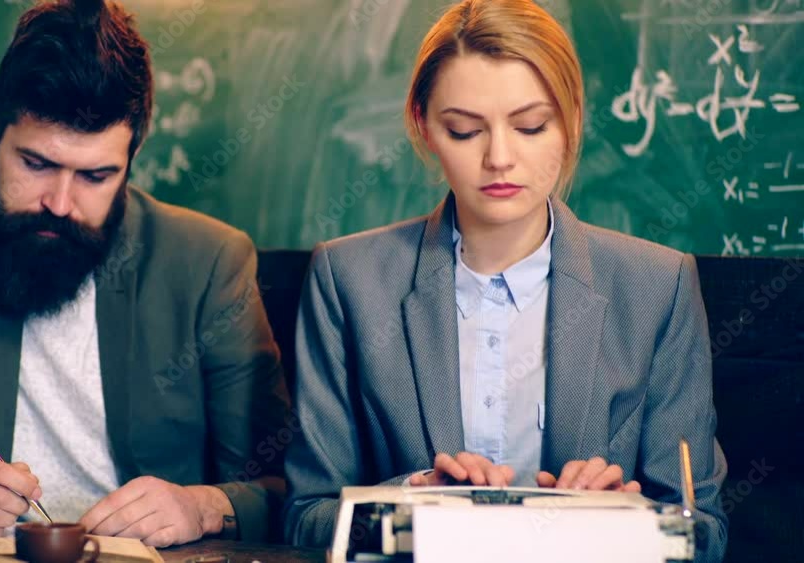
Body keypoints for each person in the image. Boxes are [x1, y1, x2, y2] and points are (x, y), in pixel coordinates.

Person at [0, 0, 289, 547]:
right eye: (36, 164)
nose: (60, 203)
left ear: (132, 157)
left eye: (96, 176)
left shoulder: (211, 263)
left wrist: (203, 506)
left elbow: (286, 485)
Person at [283, 1, 727, 560]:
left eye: (530, 125)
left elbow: (704, 532)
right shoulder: (347, 281)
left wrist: (627, 519)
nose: (499, 158)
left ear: (570, 122)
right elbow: (305, 516)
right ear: (424, 127)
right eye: (465, 131)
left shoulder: (658, 287)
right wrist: (409, 501)